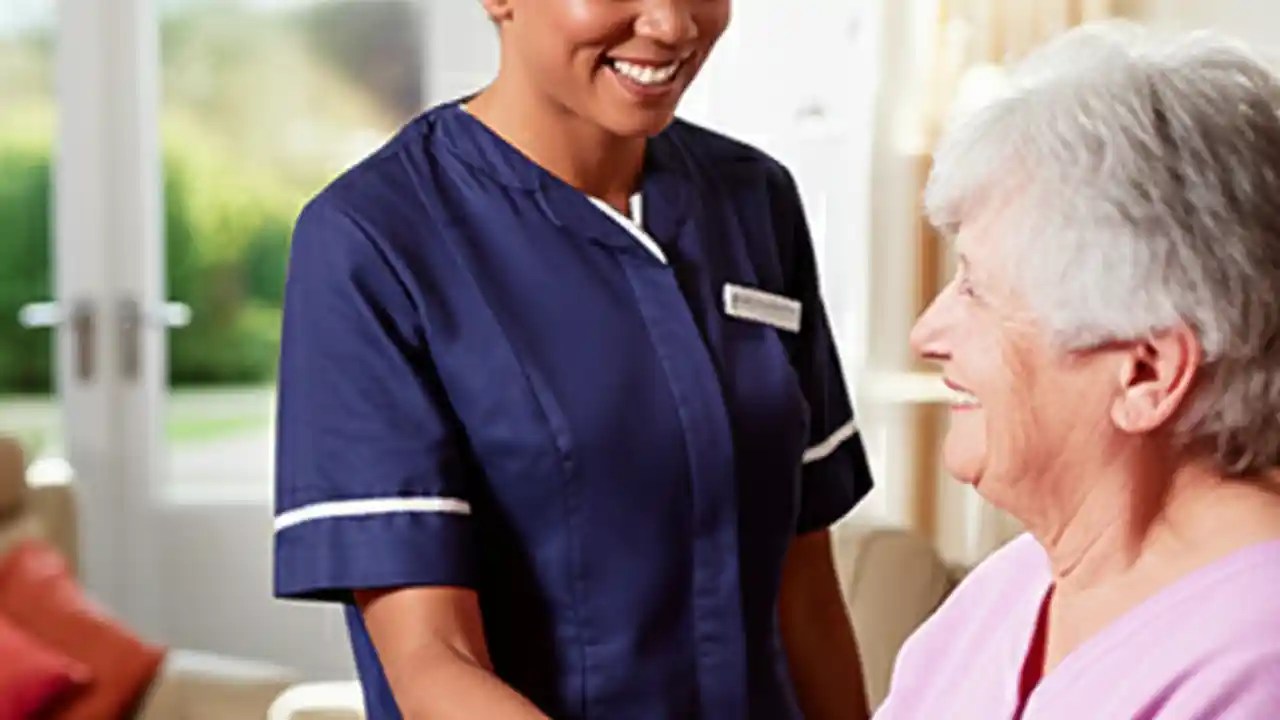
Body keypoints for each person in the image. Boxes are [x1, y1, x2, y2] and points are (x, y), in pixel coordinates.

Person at [271, 1, 875, 718]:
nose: (672, 25)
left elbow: (803, 596)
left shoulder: (755, 200)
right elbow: (433, 660)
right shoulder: (373, 240)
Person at [877, 22, 1280, 719]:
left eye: (975, 289)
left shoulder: (1255, 662)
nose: (927, 334)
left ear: (1146, 373)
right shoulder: (1007, 592)